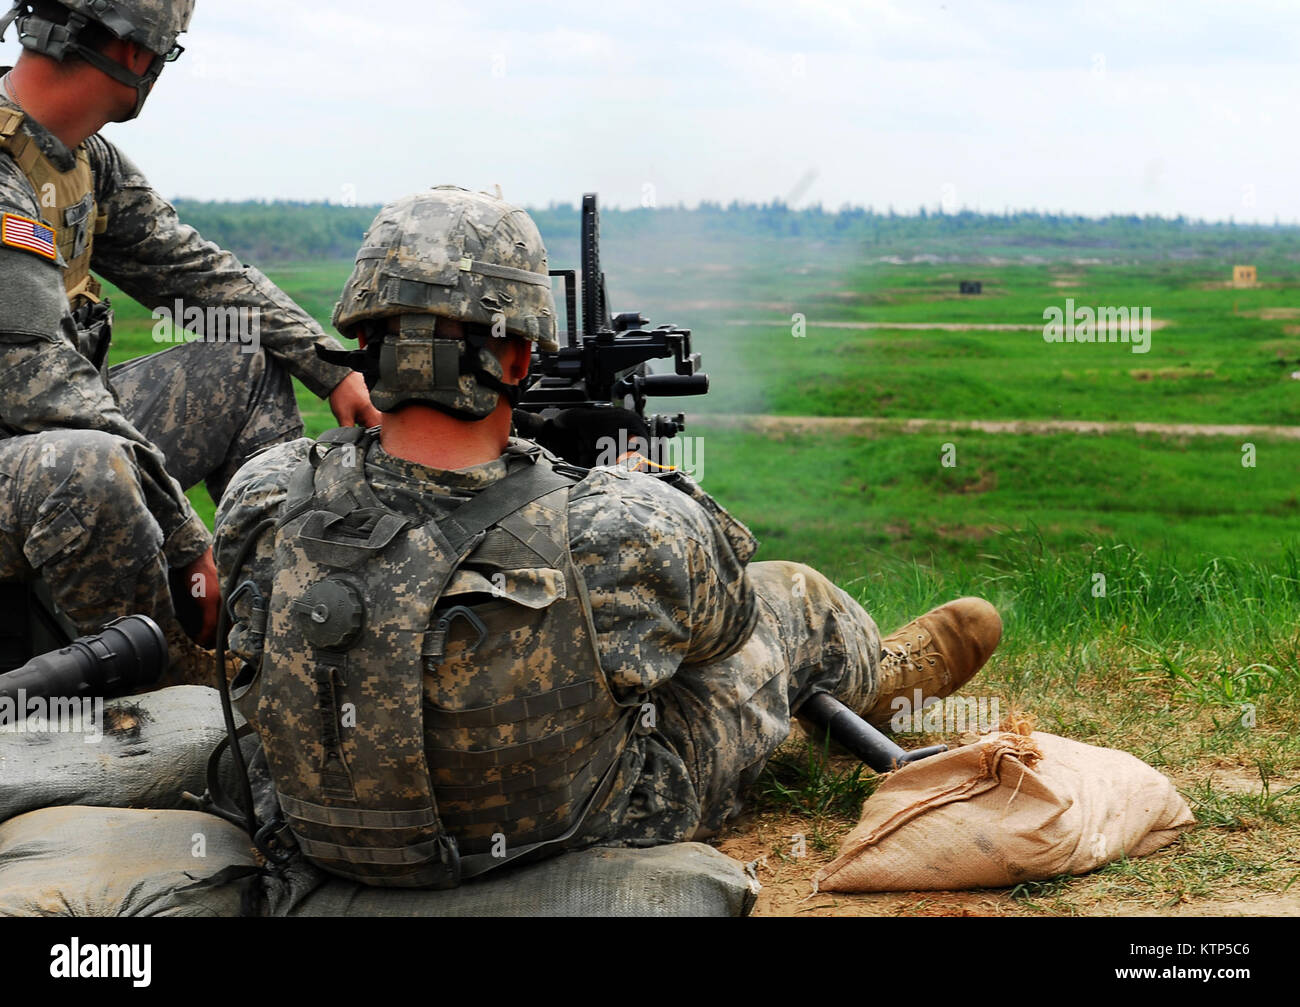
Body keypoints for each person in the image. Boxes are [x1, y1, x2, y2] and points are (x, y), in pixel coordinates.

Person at [214, 186, 1003, 888]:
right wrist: (653, 492)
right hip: (578, 824)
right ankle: (878, 675)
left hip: (320, 837)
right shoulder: (619, 526)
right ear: (519, 353)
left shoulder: (266, 491)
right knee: (788, 600)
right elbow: (727, 625)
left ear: (363, 339)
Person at [0, 0, 380, 667]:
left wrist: (333, 366)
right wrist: (183, 531)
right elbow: (41, 383)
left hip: (41, 444)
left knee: (243, 360)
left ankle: (280, 638)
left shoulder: (79, 161)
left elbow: (201, 277)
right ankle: (167, 701)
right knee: (89, 465)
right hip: (41, 450)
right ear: (136, 55)